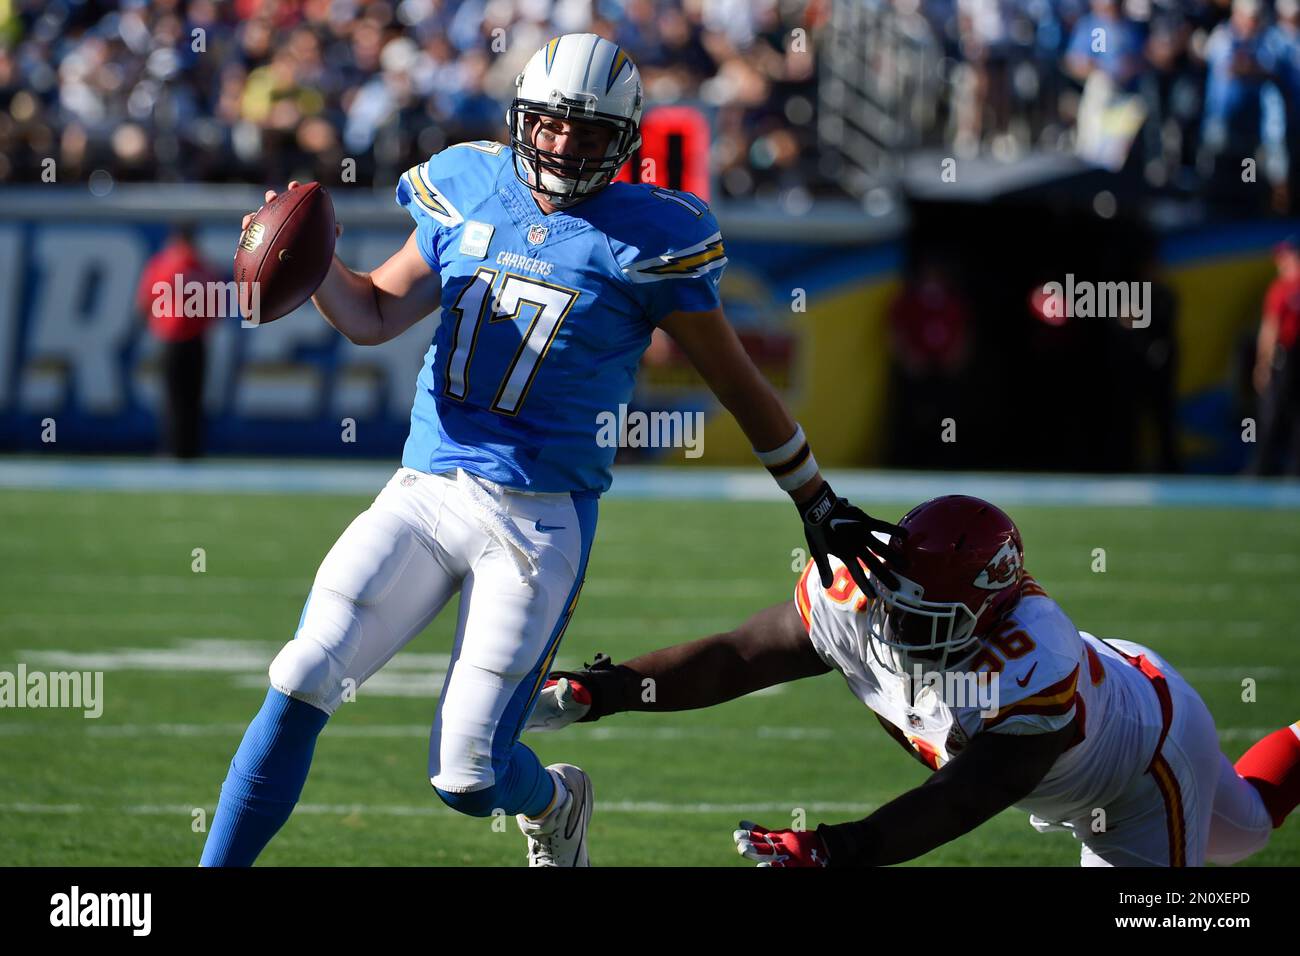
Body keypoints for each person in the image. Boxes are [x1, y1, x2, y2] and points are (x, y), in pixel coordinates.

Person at [199, 34, 902, 868]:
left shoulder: (651, 236)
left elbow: (737, 382)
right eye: (551, 124)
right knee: (301, 672)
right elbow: (374, 315)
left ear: (626, 141)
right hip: (427, 488)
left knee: (464, 778)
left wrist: (813, 497)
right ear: (520, 118)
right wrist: (310, 262)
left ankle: (558, 800)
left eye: (590, 132)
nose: (565, 145)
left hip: (537, 522)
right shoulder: (469, 184)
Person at [530, 495, 1300, 866]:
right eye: (896, 597)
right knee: (1250, 824)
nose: (897, 623)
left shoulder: (1034, 665)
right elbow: (743, 654)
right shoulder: (863, 590)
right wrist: (611, 689)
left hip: (1138, 769)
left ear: (990, 610)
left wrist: (835, 849)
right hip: (1097, 712)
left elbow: (962, 799)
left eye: (926, 613)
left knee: (1251, 828)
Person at [136, 222, 219, 459]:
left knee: (173, 397)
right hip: (196, 340)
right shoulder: (203, 267)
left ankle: (172, 448)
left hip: (171, 339)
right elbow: (216, 307)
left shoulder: (164, 264)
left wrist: (155, 324)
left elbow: (145, 302)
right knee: (193, 397)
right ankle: (190, 448)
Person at [1250, 234, 1300, 475]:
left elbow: (1270, 328)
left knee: (1272, 413)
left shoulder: (1281, 289)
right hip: (1286, 357)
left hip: (1286, 357)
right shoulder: (1280, 288)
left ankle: (1262, 467)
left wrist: (1262, 364)